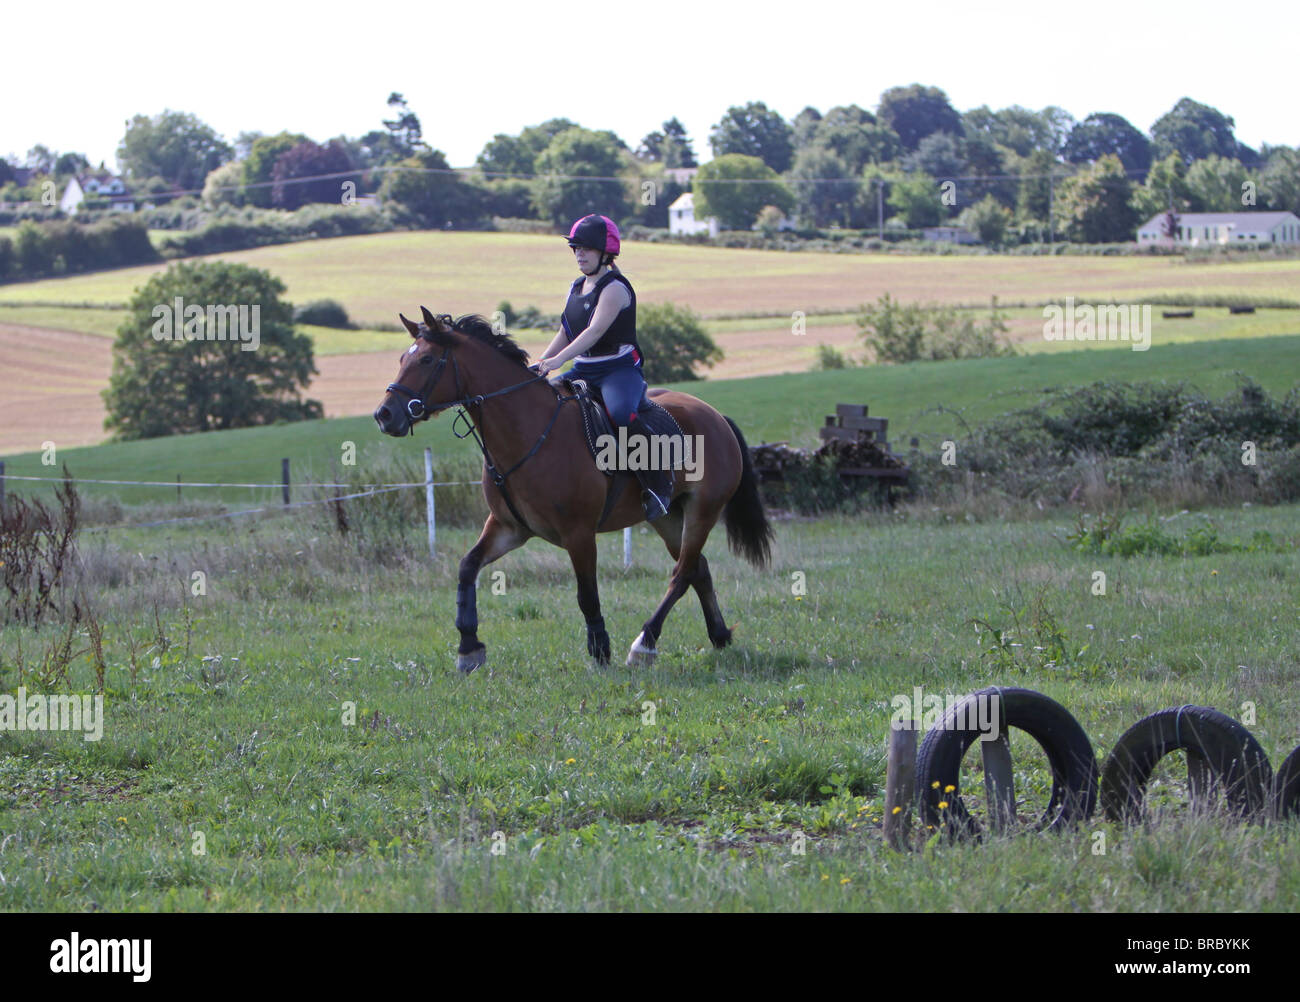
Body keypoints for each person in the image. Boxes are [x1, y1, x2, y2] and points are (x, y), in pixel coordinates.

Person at [534, 214, 670, 520]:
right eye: (576, 249)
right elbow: (567, 331)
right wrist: (542, 363)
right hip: (583, 370)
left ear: (606, 253)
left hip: (618, 371)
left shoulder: (615, 288)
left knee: (622, 413)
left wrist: (558, 362)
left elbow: (594, 331)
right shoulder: (576, 287)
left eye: (586, 248)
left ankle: (658, 486)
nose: (579, 254)